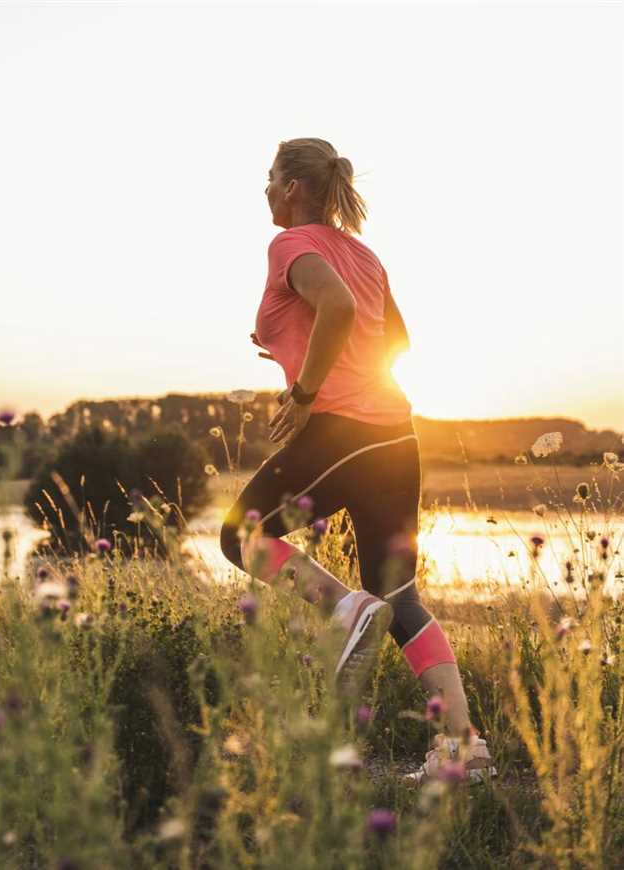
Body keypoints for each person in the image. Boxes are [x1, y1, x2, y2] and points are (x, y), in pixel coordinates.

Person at [219, 137, 496, 784]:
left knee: (240, 535)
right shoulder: (364, 253)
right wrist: (297, 347)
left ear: (292, 187)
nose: (265, 188)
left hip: (345, 427)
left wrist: (307, 390)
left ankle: (343, 608)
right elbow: (392, 338)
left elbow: (338, 308)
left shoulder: (291, 244)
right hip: (396, 432)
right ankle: (463, 749)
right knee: (400, 594)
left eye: (270, 178)